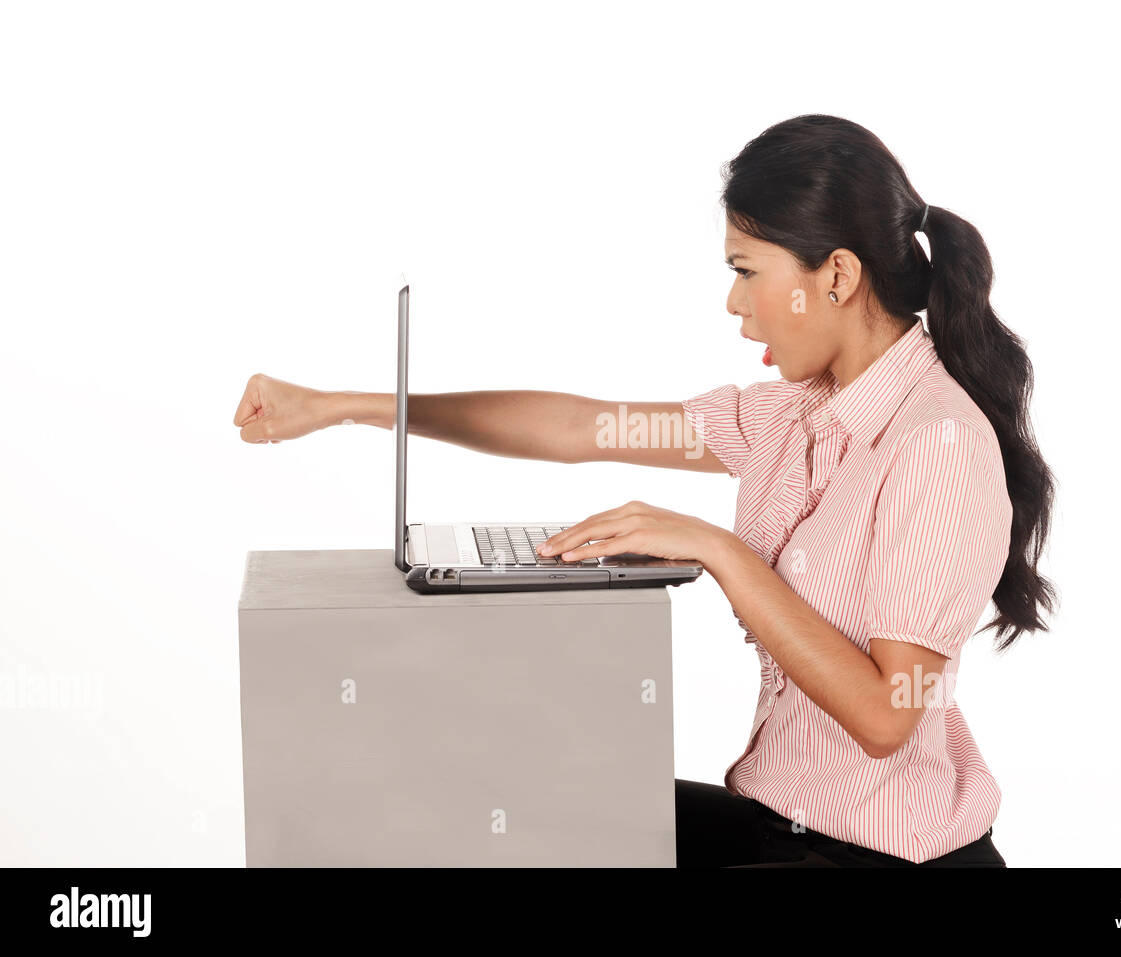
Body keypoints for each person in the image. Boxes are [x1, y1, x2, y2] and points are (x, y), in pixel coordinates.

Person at [232, 114, 1056, 867]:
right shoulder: (792, 416)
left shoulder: (937, 443)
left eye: (746, 271)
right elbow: (582, 429)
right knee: (529, 821)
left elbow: (886, 716)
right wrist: (342, 407)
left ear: (834, 275)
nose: (735, 305)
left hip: (881, 857)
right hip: (780, 818)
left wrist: (721, 550)